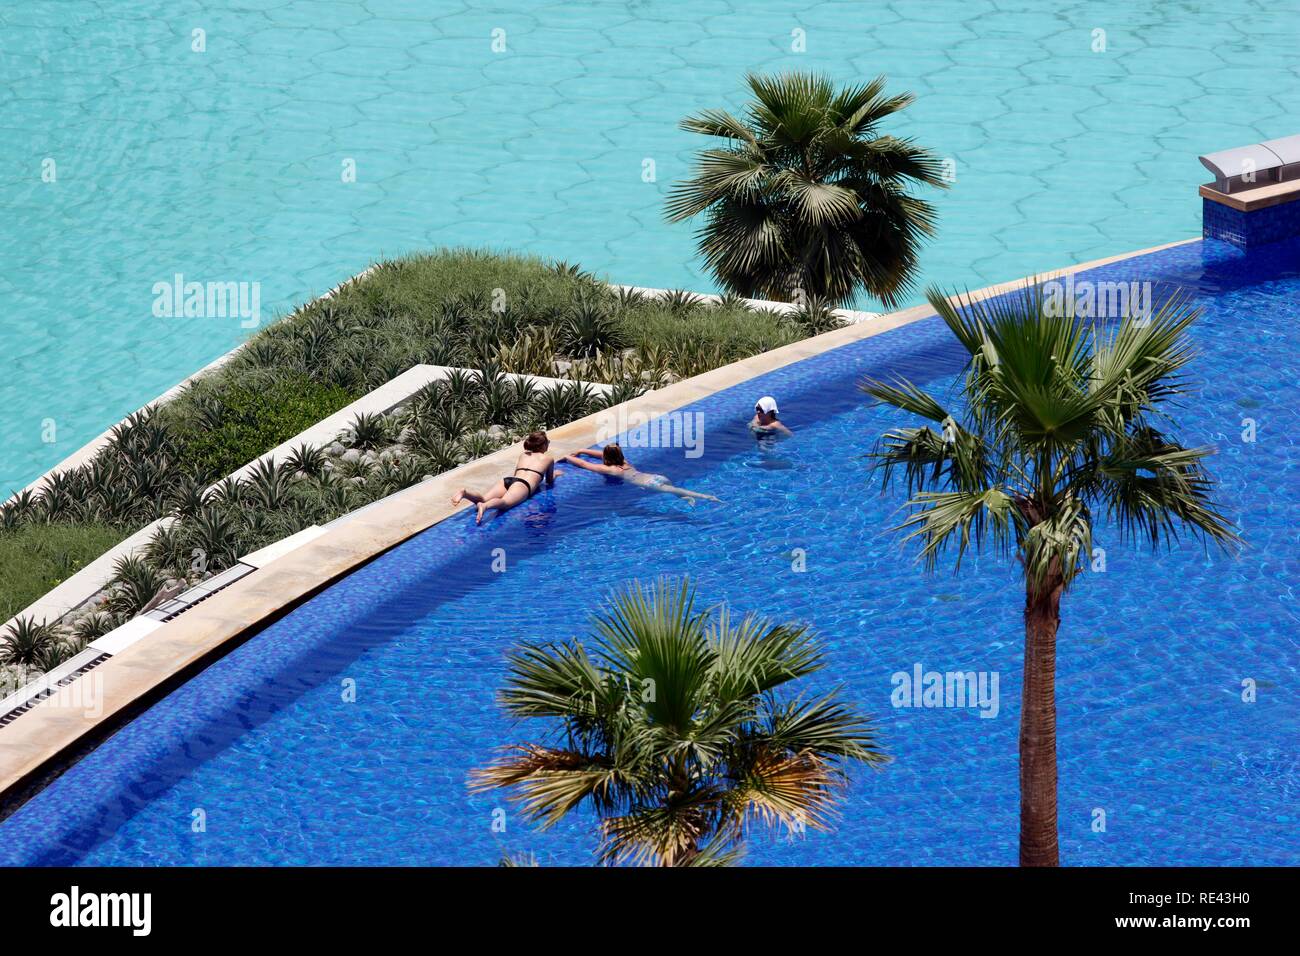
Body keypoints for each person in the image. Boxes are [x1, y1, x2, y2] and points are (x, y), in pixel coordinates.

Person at [452, 430, 558, 524]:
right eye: (547, 442)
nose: (548, 444)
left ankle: (465, 493)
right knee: (505, 503)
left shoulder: (524, 455)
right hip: (523, 485)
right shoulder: (548, 459)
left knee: (483, 498)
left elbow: (517, 472)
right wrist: (555, 475)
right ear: (542, 445)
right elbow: (549, 481)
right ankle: (485, 506)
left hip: (509, 480)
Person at [563, 444, 721, 505]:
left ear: (606, 457)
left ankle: (707, 497)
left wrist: (566, 456)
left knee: (679, 490)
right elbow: (601, 455)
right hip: (657, 477)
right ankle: (687, 498)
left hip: (651, 484)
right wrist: (582, 450)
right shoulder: (624, 462)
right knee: (676, 490)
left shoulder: (612, 470)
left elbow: (585, 464)